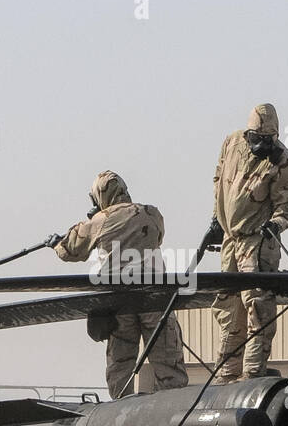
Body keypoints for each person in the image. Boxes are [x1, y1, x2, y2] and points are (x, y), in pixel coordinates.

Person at [51, 170, 190, 399]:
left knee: (120, 367)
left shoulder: (99, 221)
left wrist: (56, 243)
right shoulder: (151, 213)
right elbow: (157, 238)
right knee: (168, 363)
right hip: (155, 299)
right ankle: (173, 405)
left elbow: (70, 251)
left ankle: (120, 411)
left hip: (119, 303)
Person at [205, 103, 288, 382]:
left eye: (267, 140)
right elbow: (219, 179)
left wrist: (276, 223)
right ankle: (226, 375)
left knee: (258, 309)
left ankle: (251, 375)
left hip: (258, 241)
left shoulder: (280, 160)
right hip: (230, 239)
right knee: (228, 308)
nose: (261, 145)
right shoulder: (232, 142)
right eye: (256, 139)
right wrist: (217, 218)